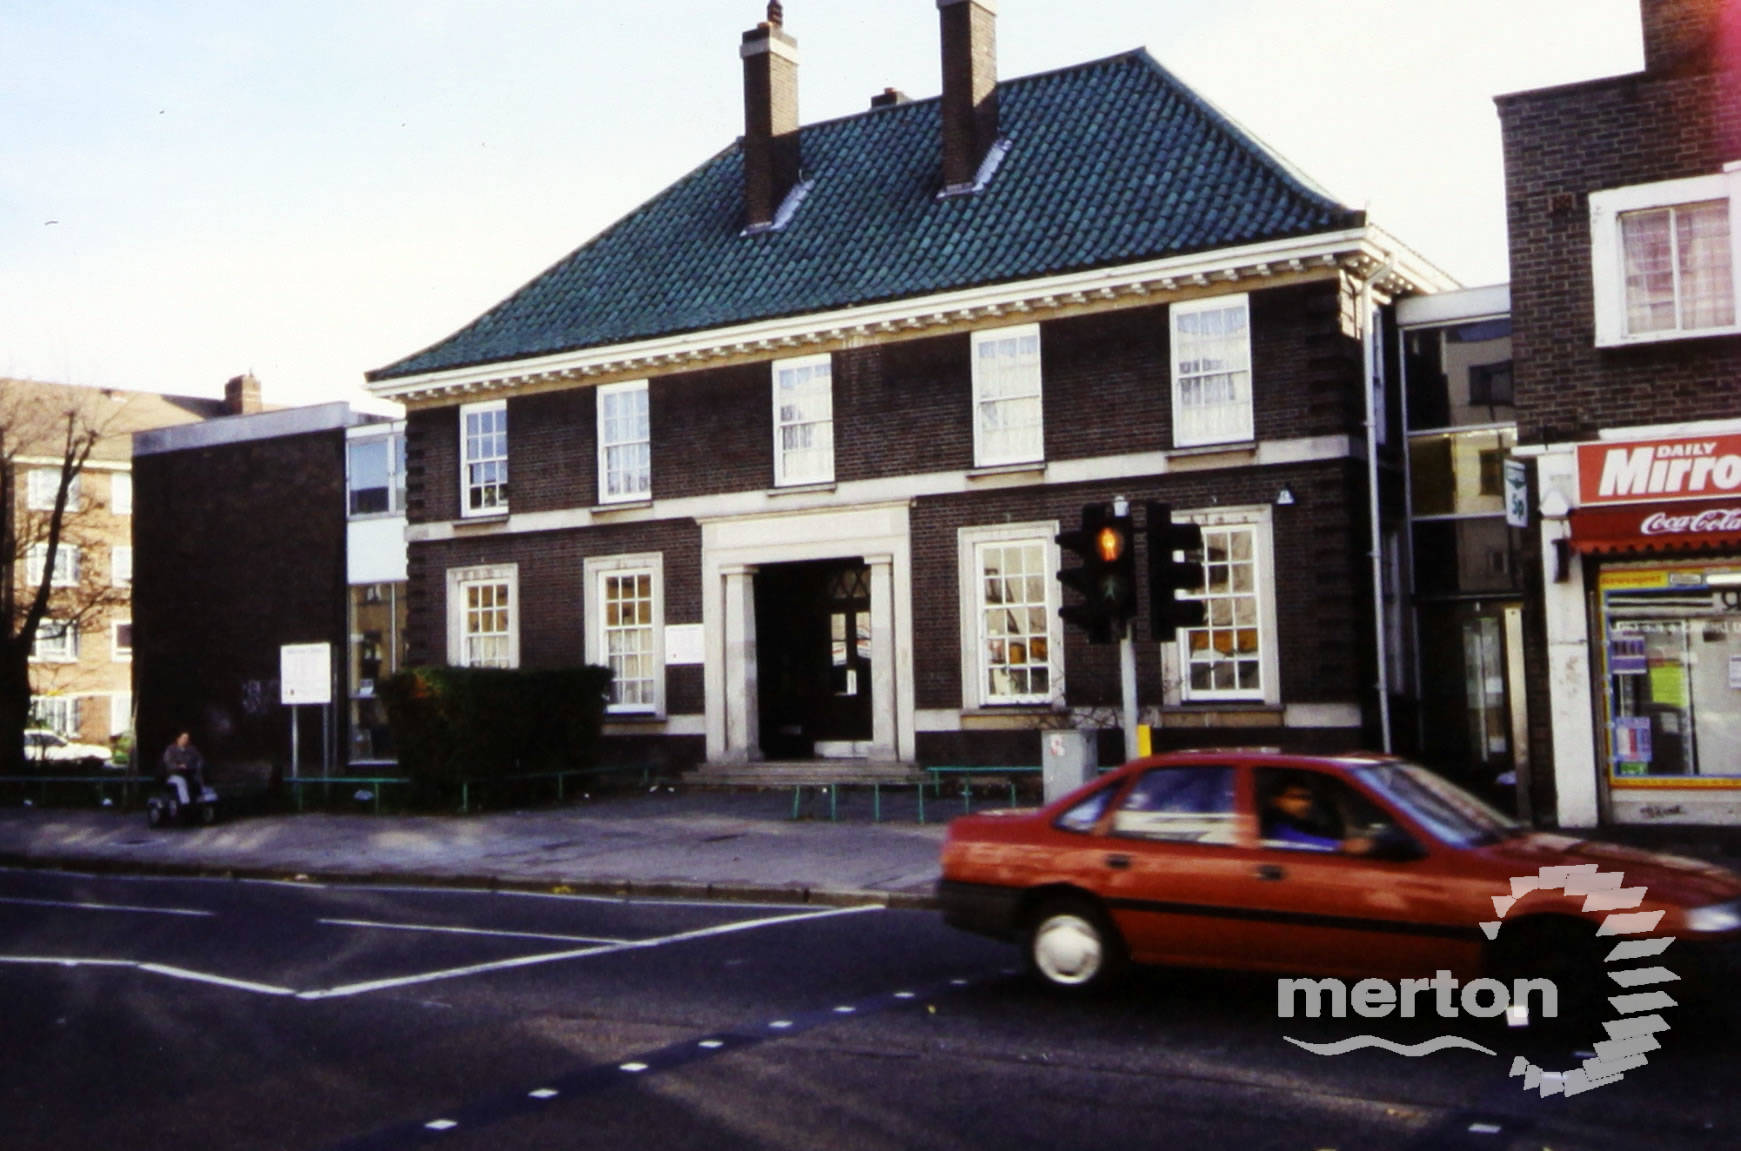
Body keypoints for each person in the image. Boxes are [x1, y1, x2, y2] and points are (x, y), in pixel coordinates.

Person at [160, 731, 208, 805]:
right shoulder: (171, 749)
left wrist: (198, 766)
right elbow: (168, 763)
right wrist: (178, 766)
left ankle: (201, 801)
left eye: (187, 738)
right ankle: (185, 803)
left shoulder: (192, 749)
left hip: (190, 773)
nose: (186, 740)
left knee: (198, 779)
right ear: (178, 739)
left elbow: (200, 759)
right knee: (181, 782)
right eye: (184, 738)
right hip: (174, 774)